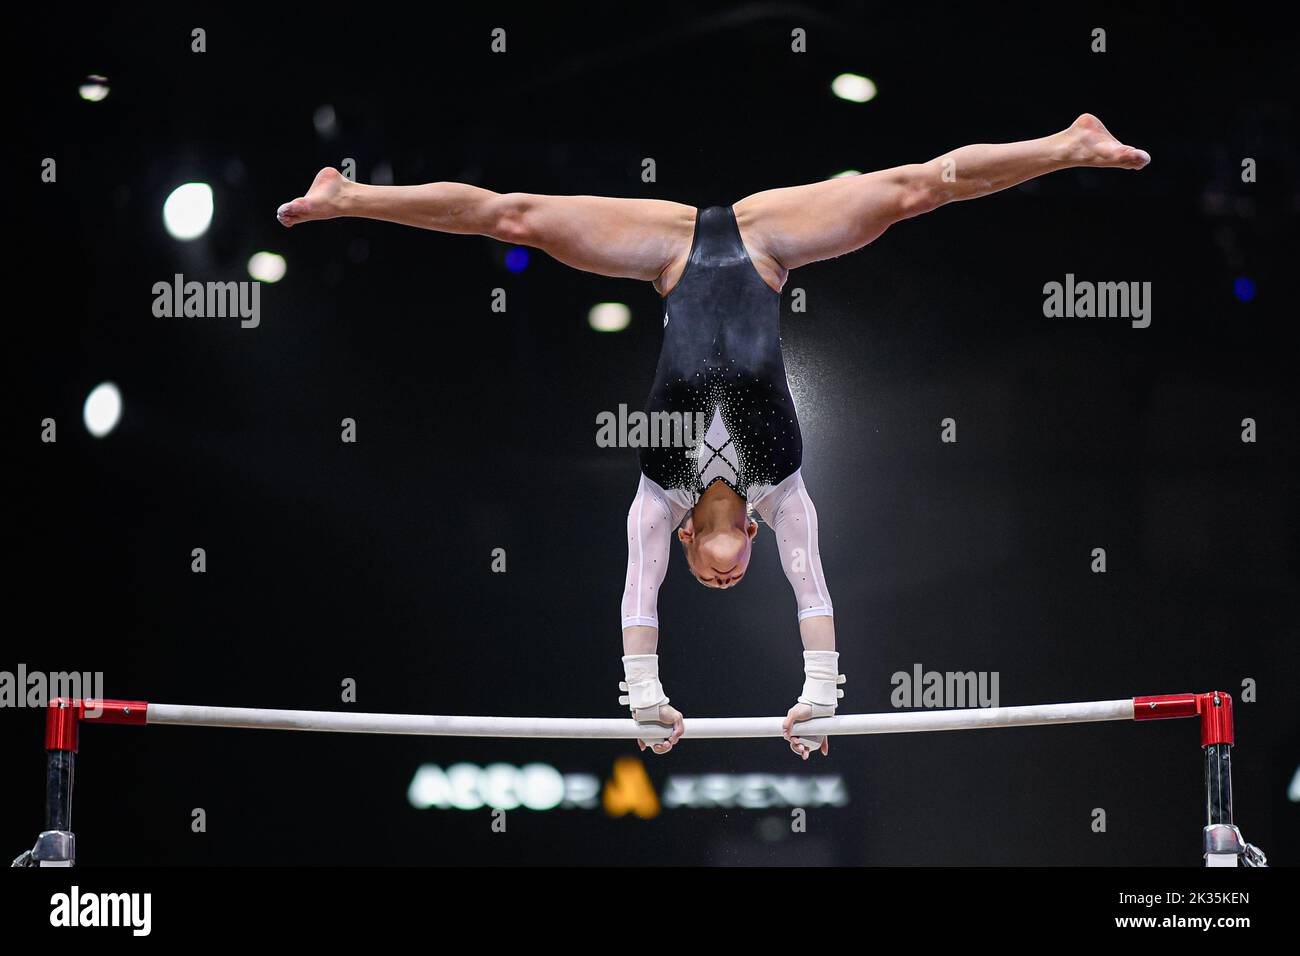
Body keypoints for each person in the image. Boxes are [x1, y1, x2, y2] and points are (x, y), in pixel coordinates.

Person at [278, 113, 1150, 759]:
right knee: (911, 191)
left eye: (708, 574)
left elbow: (636, 600)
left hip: (666, 254)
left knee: (516, 217)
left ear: (690, 539)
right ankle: (1072, 147)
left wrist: (648, 699)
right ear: (754, 538)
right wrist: (817, 697)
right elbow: (813, 595)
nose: (726, 577)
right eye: (735, 578)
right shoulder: (785, 495)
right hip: (770, 246)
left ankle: (348, 194)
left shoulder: (658, 503)